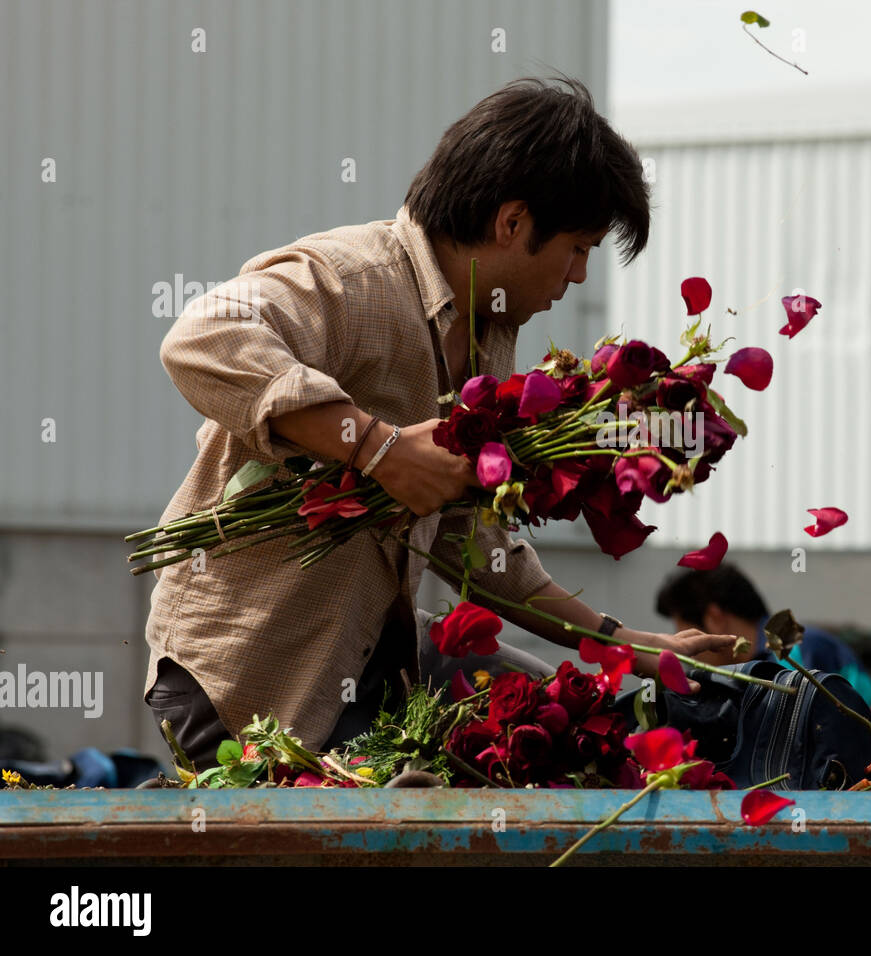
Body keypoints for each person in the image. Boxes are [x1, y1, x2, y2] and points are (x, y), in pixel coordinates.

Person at [144, 77, 735, 769]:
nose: (577, 276)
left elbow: (473, 548)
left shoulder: (489, 339)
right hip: (250, 687)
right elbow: (202, 335)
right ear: (512, 223)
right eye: (578, 247)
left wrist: (629, 643)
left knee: (579, 741)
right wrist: (375, 447)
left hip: (374, 664)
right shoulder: (354, 278)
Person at [655, 564, 871, 735]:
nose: (686, 655)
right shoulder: (751, 665)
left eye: (686, 636)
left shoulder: (799, 648)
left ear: (714, 618)